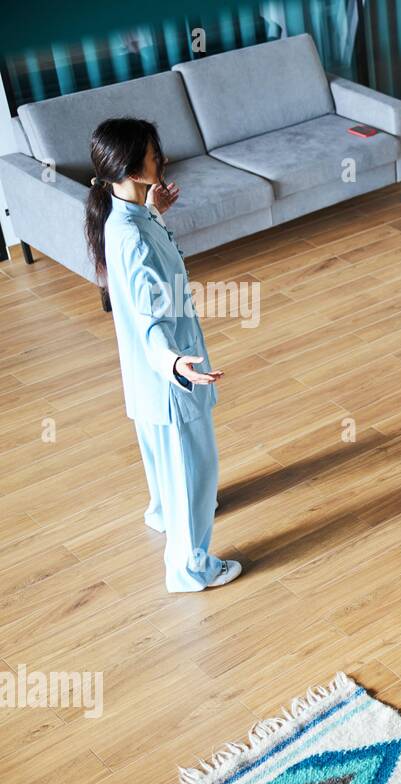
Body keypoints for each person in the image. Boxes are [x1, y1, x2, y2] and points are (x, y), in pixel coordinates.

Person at [84, 118, 241, 592]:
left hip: (146, 377)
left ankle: (161, 511)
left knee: (161, 455)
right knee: (197, 467)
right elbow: (152, 321)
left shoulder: (122, 216)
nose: (162, 159)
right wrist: (175, 362)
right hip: (171, 373)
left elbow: (140, 289)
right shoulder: (132, 236)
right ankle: (189, 568)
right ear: (132, 168)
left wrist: (154, 212)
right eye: (155, 155)